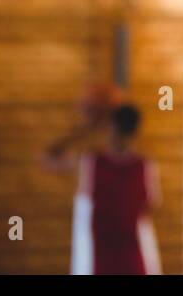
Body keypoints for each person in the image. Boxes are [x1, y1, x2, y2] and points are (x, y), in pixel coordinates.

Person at [43, 95, 162, 275]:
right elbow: (47, 159)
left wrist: (87, 128)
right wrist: (86, 129)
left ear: (110, 128)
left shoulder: (140, 167)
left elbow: (48, 158)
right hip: (102, 262)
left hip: (127, 262)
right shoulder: (93, 163)